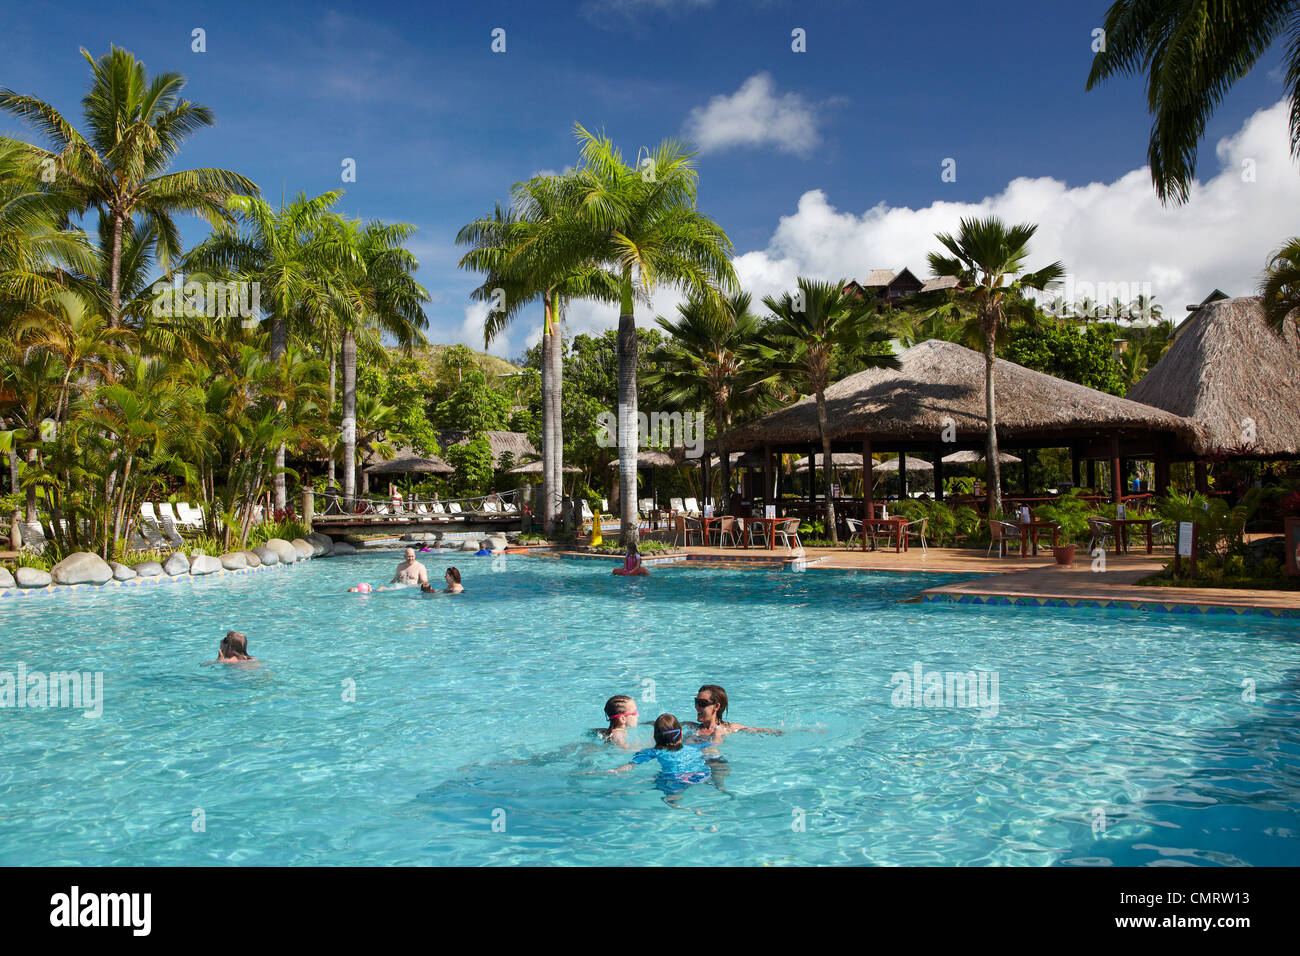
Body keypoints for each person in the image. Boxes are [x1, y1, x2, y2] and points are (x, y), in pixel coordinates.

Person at [606, 714, 710, 809]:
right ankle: (699, 809)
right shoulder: (695, 747)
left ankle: (687, 809)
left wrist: (616, 770)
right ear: (681, 733)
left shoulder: (654, 752)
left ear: (655, 736)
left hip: (675, 778)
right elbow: (710, 748)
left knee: (659, 785)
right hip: (700, 774)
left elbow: (630, 765)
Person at [685, 684, 781, 743]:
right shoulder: (690, 727)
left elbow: (759, 731)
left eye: (702, 703)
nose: (696, 707)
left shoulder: (729, 728)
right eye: (696, 702)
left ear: (716, 707)